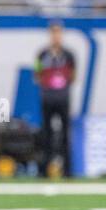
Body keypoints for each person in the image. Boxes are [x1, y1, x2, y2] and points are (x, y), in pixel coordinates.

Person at [34, 20, 75, 177]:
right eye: (53, 33)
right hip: (47, 98)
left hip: (62, 98)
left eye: (58, 33)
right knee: (47, 134)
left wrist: (61, 85)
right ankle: (45, 169)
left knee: (65, 134)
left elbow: (73, 75)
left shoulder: (69, 55)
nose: (56, 36)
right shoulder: (42, 54)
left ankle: (67, 171)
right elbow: (37, 73)